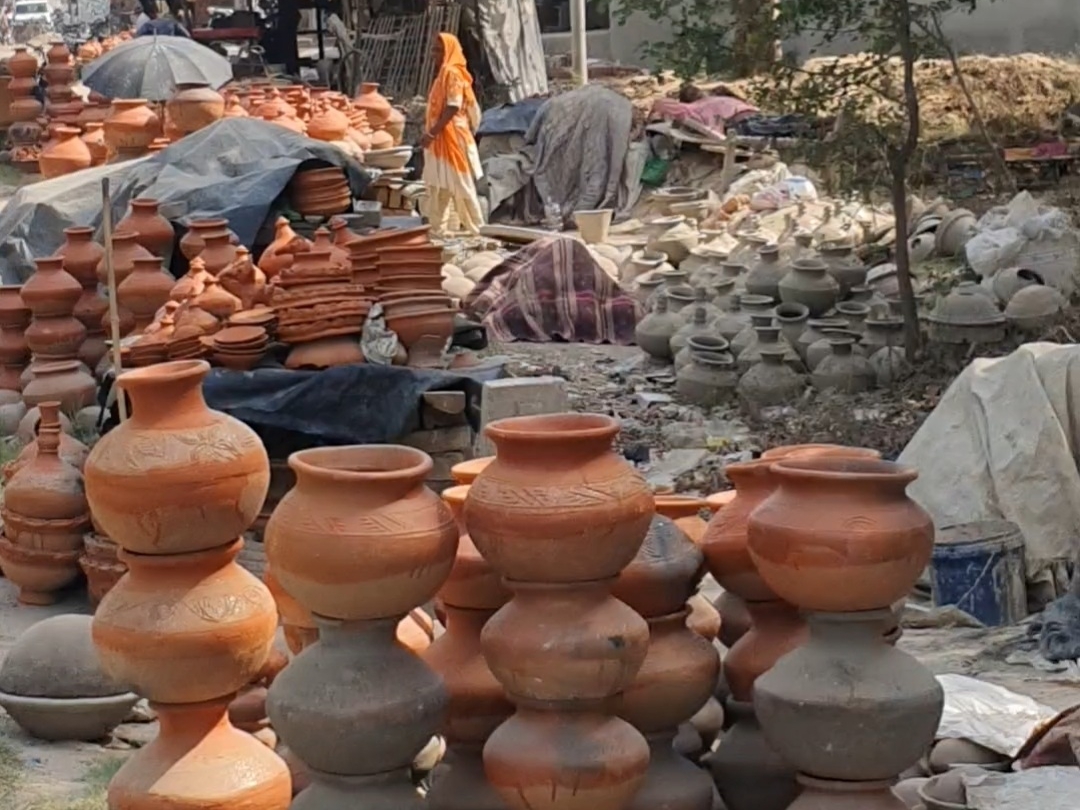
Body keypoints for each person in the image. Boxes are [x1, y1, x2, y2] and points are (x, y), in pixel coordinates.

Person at [420, 32, 484, 237]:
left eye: (439, 50)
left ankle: (479, 229)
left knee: (462, 186)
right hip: (443, 139)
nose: (434, 54)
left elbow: (453, 106)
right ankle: (437, 231)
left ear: (449, 51)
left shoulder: (451, 73)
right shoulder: (443, 75)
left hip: (453, 138)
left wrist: (431, 133)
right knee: (442, 186)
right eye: (433, 49)